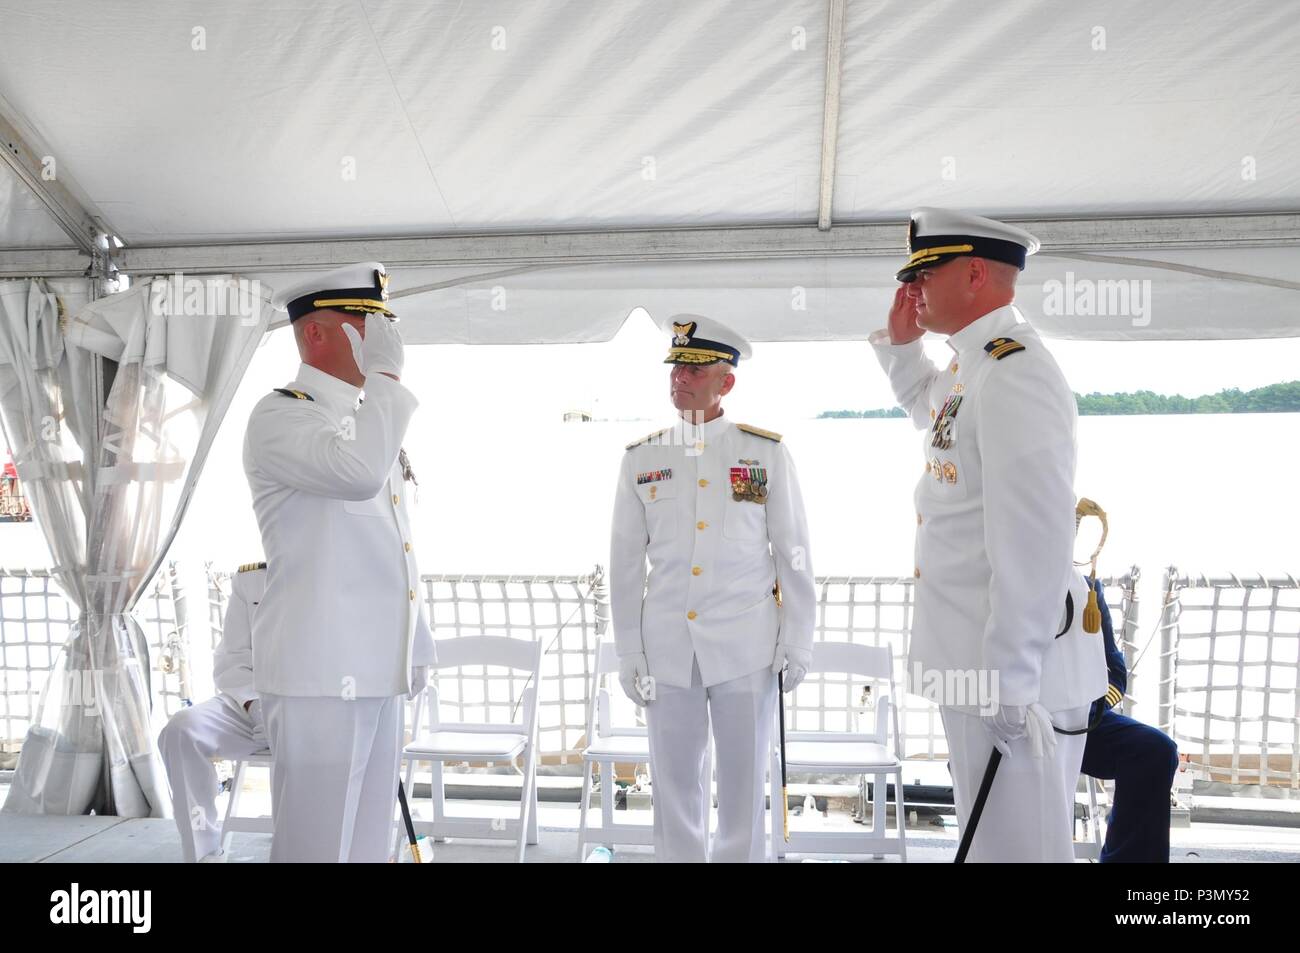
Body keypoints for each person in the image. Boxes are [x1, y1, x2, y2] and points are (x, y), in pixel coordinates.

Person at [870, 209, 1106, 861]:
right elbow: (933, 414)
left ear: (974, 272)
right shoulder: (973, 365)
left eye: (925, 273)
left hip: (1008, 675)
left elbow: (1032, 540)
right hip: (975, 664)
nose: (911, 289)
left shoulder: (1016, 369)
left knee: (1018, 850)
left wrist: (1010, 678)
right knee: (993, 847)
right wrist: (899, 351)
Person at [245, 261, 434, 862]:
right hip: (319, 674)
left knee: (366, 843)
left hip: (379, 671)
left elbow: (397, 547)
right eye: (362, 321)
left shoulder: (368, 421)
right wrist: (386, 375)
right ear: (315, 335)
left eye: (381, 324)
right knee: (315, 845)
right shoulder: (281, 415)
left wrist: (417, 645)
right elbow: (355, 477)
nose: (380, 336)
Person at [610, 313, 815, 862]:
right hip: (668, 646)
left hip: (746, 645)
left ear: (726, 381)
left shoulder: (764, 453)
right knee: (674, 786)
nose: (680, 377)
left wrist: (798, 639)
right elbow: (625, 564)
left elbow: (793, 554)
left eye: (695, 370)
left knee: (746, 785)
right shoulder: (642, 458)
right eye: (676, 367)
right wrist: (628, 647)